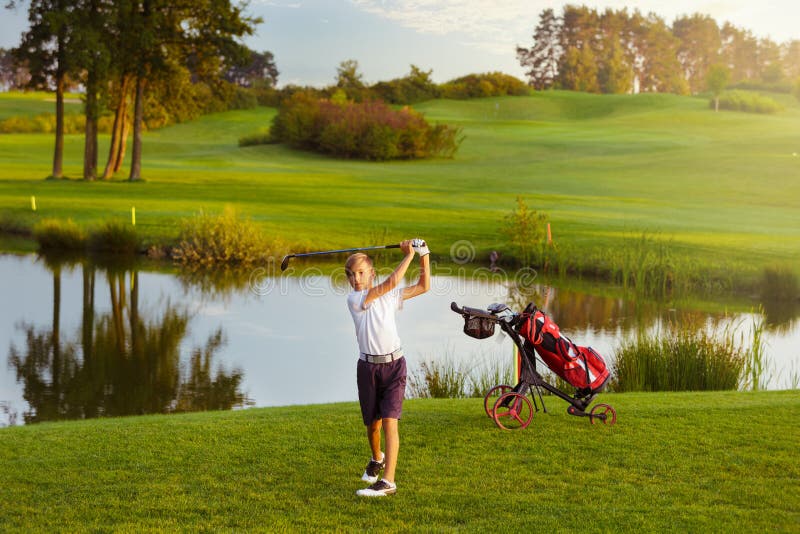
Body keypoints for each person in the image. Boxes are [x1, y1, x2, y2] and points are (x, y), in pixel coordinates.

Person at [345, 238, 430, 497]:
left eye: (361, 273)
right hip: (368, 368)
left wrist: (424, 254)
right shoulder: (355, 299)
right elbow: (391, 283)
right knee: (373, 425)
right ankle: (376, 458)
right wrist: (408, 255)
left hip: (394, 366)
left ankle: (388, 481)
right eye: (351, 274)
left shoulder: (389, 297)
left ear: (372, 273)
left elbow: (424, 286)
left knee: (390, 422)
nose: (356, 279)